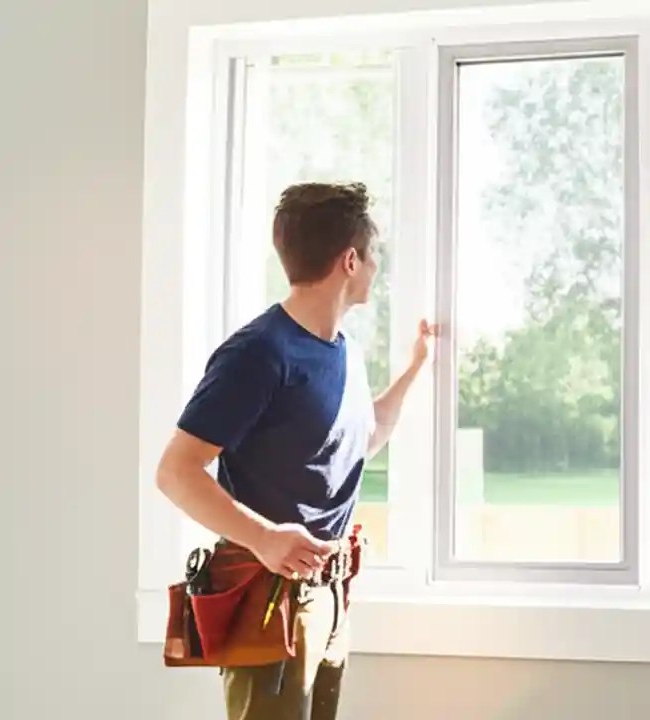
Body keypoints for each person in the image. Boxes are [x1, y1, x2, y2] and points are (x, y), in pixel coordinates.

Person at [155, 182, 433, 719]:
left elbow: (362, 438)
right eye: (374, 257)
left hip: (325, 598)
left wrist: (417, 366)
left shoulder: (343, 352)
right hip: (267, 599)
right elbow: (175, 471)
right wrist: (263, 538)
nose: (376, 268)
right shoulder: (258, 354)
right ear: (350, 260)